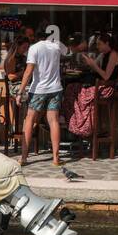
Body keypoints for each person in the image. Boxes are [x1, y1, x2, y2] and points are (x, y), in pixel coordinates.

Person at [18, 22, 69, 167]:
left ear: (37, 37)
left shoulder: (34, 48)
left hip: (38, 90)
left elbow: (28, 72)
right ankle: (56, 158)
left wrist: (21, 91)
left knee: (29, 120)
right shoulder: (56, 45)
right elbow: (69, 52)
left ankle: (23, 157)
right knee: (53, 121)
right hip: (55, 88)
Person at [67, 31, 118, 142]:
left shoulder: (113, 55)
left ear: (107, 43)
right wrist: (89, 65)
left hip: (106, 89)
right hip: (99, 87)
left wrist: (94, 65)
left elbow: (106, 76)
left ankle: (85, 126)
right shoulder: (103, 55)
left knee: (78, 94)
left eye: (99, 44)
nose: (97, 47)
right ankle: (77, 123)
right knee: (71, 88)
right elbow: (94, 68)